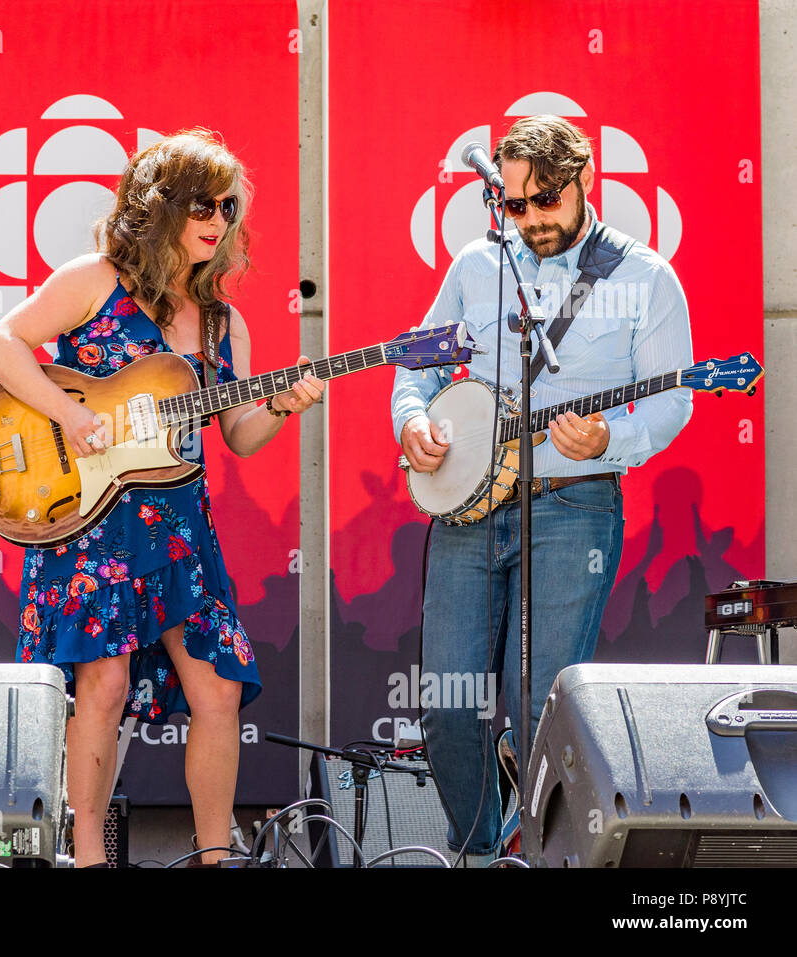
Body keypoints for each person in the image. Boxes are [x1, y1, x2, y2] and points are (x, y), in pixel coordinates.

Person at [0, 131, 324, 866]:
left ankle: (213, 854)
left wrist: (287, 403)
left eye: (230, 206)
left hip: (179, 530)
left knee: (220, 688)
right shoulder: (93, 280)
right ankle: (87, 855)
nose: (220, 218)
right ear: (160, 204)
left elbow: (238, 434)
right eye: (205, 202)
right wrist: (71, 413)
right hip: (91, 521)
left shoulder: (225, 325)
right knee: (100, 687)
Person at [391, 115, 693, 859]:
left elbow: (675, 397)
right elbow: (416, 366)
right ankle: (479, 851)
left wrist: (610, 439)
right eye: (516, 206)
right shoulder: (475, 265)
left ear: (586, 179)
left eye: (546, 199)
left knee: (539, 711)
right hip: (468, 505)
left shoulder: (644, 276)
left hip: (574, 505)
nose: (531, 219)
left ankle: (535, 855)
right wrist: (411, 422)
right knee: (447, 708)